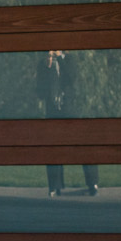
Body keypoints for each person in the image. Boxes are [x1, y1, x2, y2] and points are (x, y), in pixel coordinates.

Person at [39, 49, 98, 196]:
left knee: (83, 146)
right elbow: (39, 91)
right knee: (53, 149)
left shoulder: (70, 60)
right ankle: (54, 186)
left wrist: (60, 58)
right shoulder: (43, 64)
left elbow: (71, 79)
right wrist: (47, 69)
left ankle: (93, 182)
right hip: (52, 112)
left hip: (70, 111)